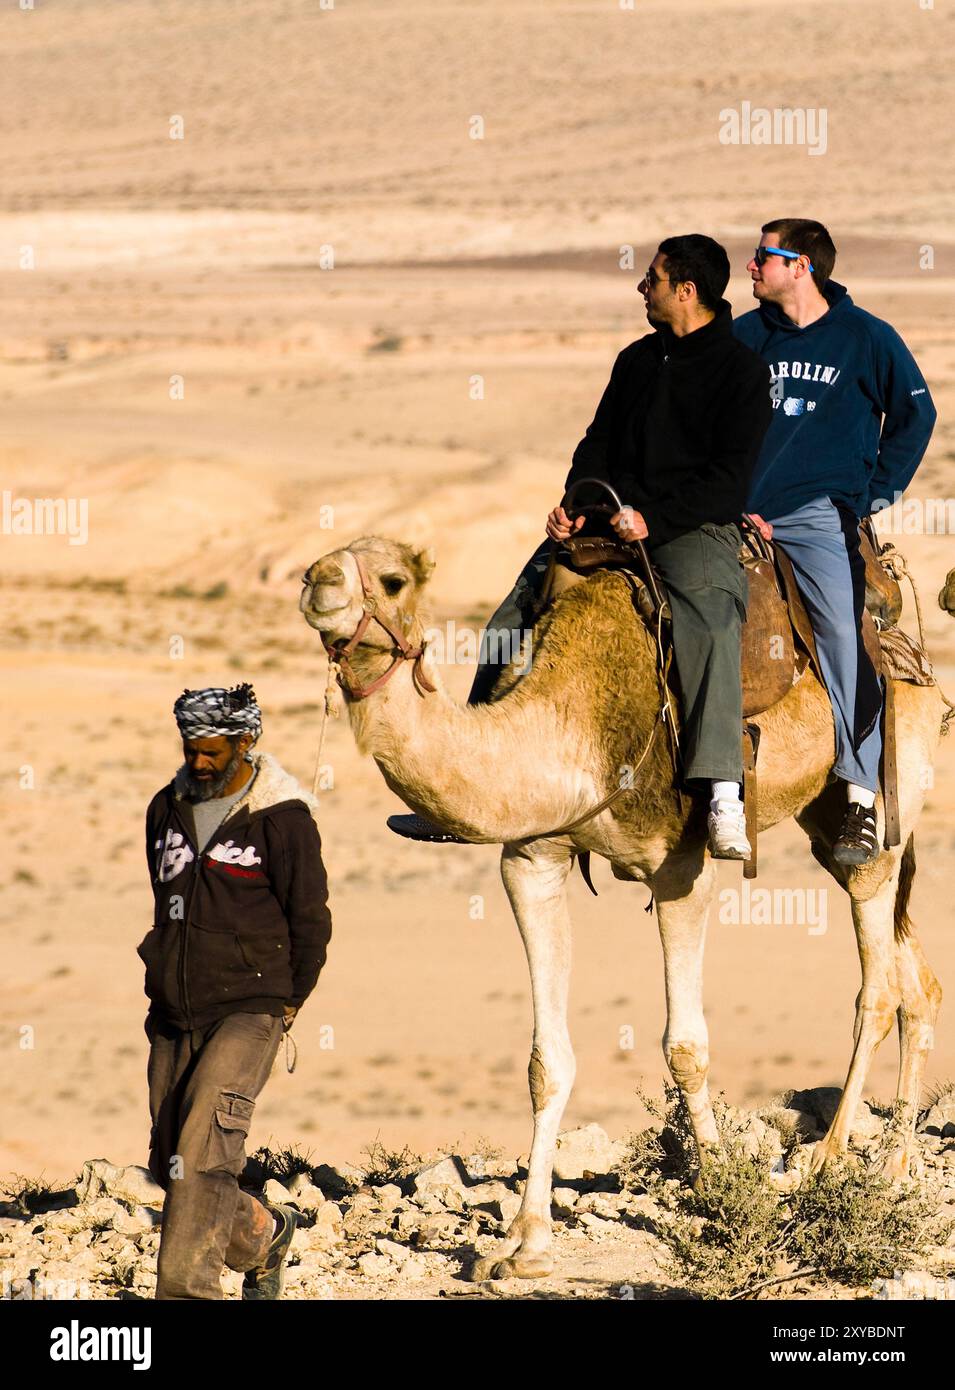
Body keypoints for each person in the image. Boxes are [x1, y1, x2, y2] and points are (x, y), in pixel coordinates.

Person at [390, 234, 772, 857]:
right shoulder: (636, 361)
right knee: (511, 617)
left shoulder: (743, 373)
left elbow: (729, 480)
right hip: (607, 520)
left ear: (687, 290)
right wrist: (574, 508)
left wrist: (656, 520)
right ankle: (468, 785)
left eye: (651, 279)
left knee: (708, 620)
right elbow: (596, 444)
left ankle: (723, 790)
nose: (640, 288)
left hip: (690, 527)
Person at [735, 219, 937, 864]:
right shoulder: (743, 336)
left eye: (763, 256)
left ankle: (860, 799)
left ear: (800, 266)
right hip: (734, 513)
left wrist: (873, 494)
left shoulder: (867, 337)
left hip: (818, 514)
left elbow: (916, 414)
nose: (751, 267)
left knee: (844, 637)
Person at [139, 682, 333, 1299]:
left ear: (246, 743)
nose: (198, 762)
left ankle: (185, 1293)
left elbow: (311, 921)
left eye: (212, 752)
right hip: (173, 1010)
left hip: (251, 1009)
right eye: (191, 748)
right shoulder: (164, 809)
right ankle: (263, 1234)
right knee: (173, 1161)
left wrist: (285, 1002)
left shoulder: (284, 820)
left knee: (202, 1158)